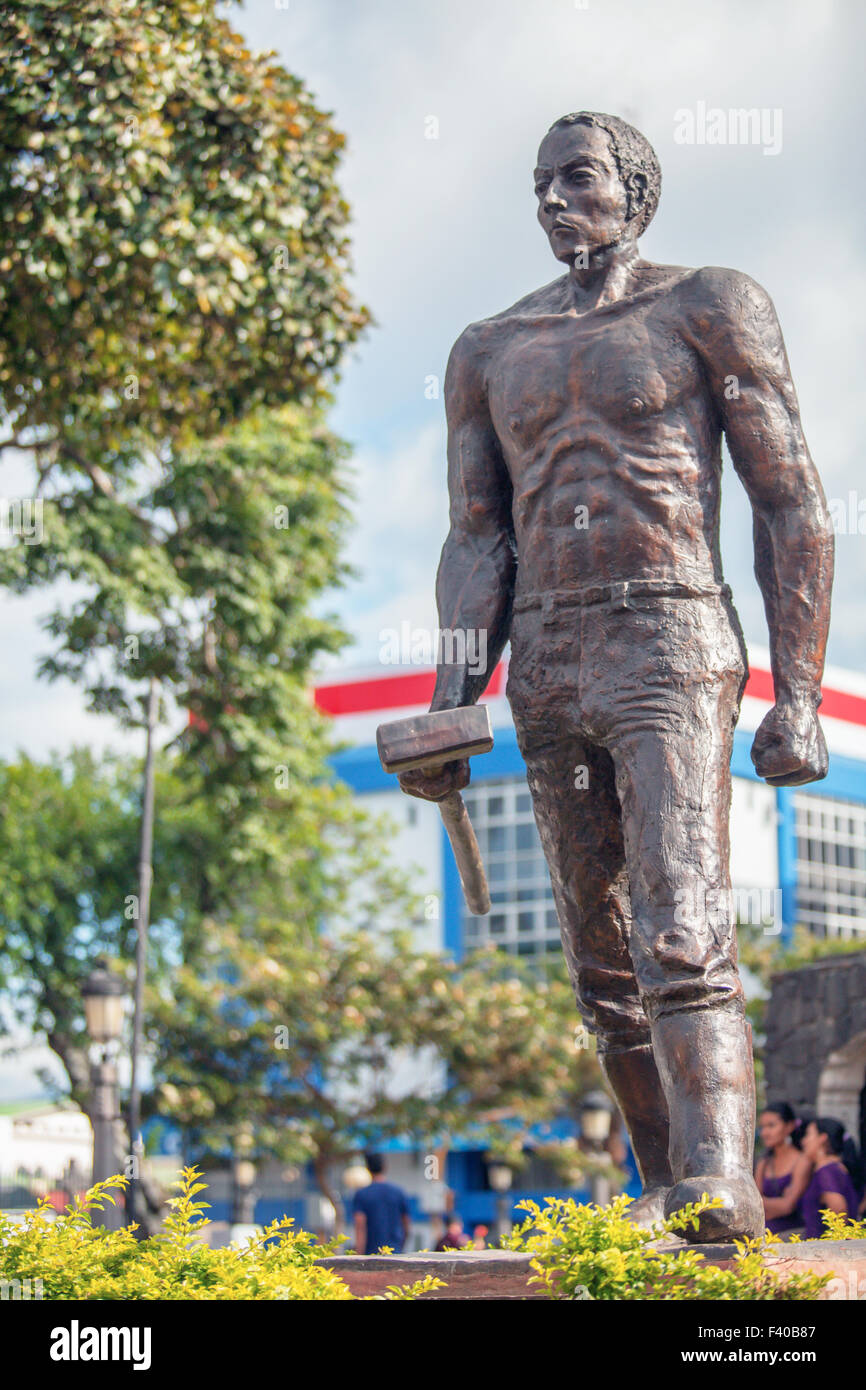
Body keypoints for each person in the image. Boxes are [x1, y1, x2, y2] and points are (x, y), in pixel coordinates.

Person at [397, 109, 833, 1245]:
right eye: (537, 183)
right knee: (598, 961)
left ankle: (718, 1181)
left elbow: (789, 500)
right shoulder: (485, 349)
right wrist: (452, 699)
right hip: (545, 653)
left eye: (576, 178)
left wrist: (798, 694)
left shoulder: (707, 305)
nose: (551, 200)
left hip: (669, 638)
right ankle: (665, 1187)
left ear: (636, 189)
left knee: (678, 927)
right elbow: (474, 537)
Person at [755, 1102, 810, 1234]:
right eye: (762, 1127)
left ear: (789, 1126)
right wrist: (775, 1204)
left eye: (771, 1126)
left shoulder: (802, 1161)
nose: (765, 1133)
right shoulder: (764, 1163)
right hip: (764, 1232)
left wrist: (762, 1202)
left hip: (793, 1234)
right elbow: (753, 1203)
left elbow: (788, 1206)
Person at [799, 1118, 860, 1238]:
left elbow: (840, 1216)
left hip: (825, 1251)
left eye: (808, 1135)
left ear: (822, 1138)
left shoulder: (827, 1172)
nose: (804, 1141)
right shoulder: (833, 1168)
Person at [351, 1154, 411, 1255]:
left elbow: (360, 1226)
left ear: (368, 1168)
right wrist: (400, 1247)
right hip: (394, 1252)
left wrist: (358, 1256)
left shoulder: (362, 1194)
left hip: (371, 1255)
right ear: (384, 1167)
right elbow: (406, 1225)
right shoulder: (398, 1192)